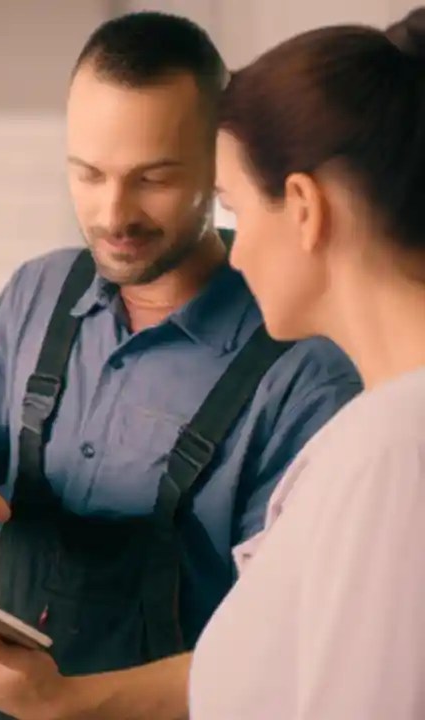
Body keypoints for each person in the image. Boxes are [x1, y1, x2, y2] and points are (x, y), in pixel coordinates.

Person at [0, 11, 364, 720]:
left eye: (153, 179)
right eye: (89, 173)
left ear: (218, 166)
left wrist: (66, 704)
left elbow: (286, 656)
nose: (113, 213)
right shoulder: (38, 294)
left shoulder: (301, 376)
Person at [187, 9, 425, 718]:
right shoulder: (384, 432)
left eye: (233, 211)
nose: (234, 253)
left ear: (302, 208)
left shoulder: (393, 451)